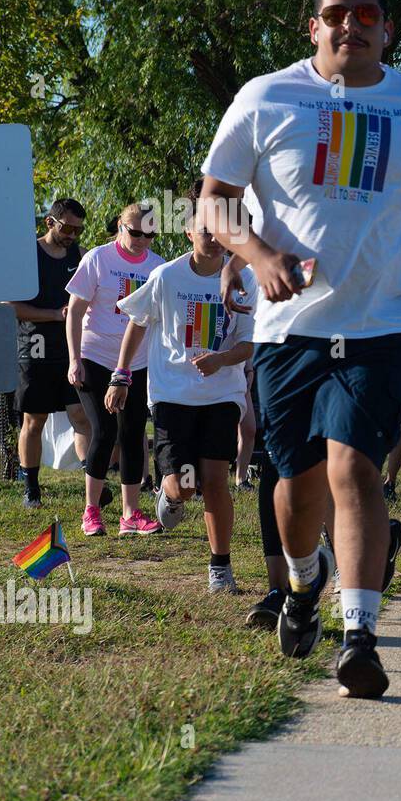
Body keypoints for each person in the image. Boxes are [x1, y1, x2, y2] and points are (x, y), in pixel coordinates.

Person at [199, 0, 401, 699]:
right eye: (336, 13)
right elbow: (212, 203)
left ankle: (361, 638)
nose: (352, 24)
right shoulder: (266, 96)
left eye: (367, 14)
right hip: (289, 328)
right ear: (313, 27)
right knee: (298, 483)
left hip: (381, 323)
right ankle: (303, 578)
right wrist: (259, 255)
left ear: (387, 27)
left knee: (354, 470)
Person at [106, 215, 255, 592]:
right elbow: (138, 322)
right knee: (184, 486)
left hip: (222, 394)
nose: (215, 239)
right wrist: (121, 374)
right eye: (206, 231)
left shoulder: (244, 279)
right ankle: (170, 497)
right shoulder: (167, 277)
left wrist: (221, 359)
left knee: (216, 481)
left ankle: (220, 568)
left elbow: (252, 342)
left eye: (222, 232)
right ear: (189, 233)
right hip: (173, 394)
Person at [66, 202, 166, 536]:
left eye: (149, 233)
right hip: (94, 356)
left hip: (137, 362)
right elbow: (75, 313)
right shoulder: (98, 258)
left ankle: (130, 515)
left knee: (134, 433)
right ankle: (91, 512)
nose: (141, 239)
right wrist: (74, 360)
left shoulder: (158, 268)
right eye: (134, 231)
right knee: (104, 431)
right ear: (119, 226)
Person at [12, 199, 92, 508]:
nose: (73, 234)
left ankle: (92, 481)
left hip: (71, 350)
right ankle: (31, 487)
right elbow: (12, 308)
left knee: (81, 415)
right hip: (34, 349)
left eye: (78, 229)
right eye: (68, 227)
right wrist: (56, 315)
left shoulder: (81, 256)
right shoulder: (27, 257)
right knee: (35, 420)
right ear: (50, 222)